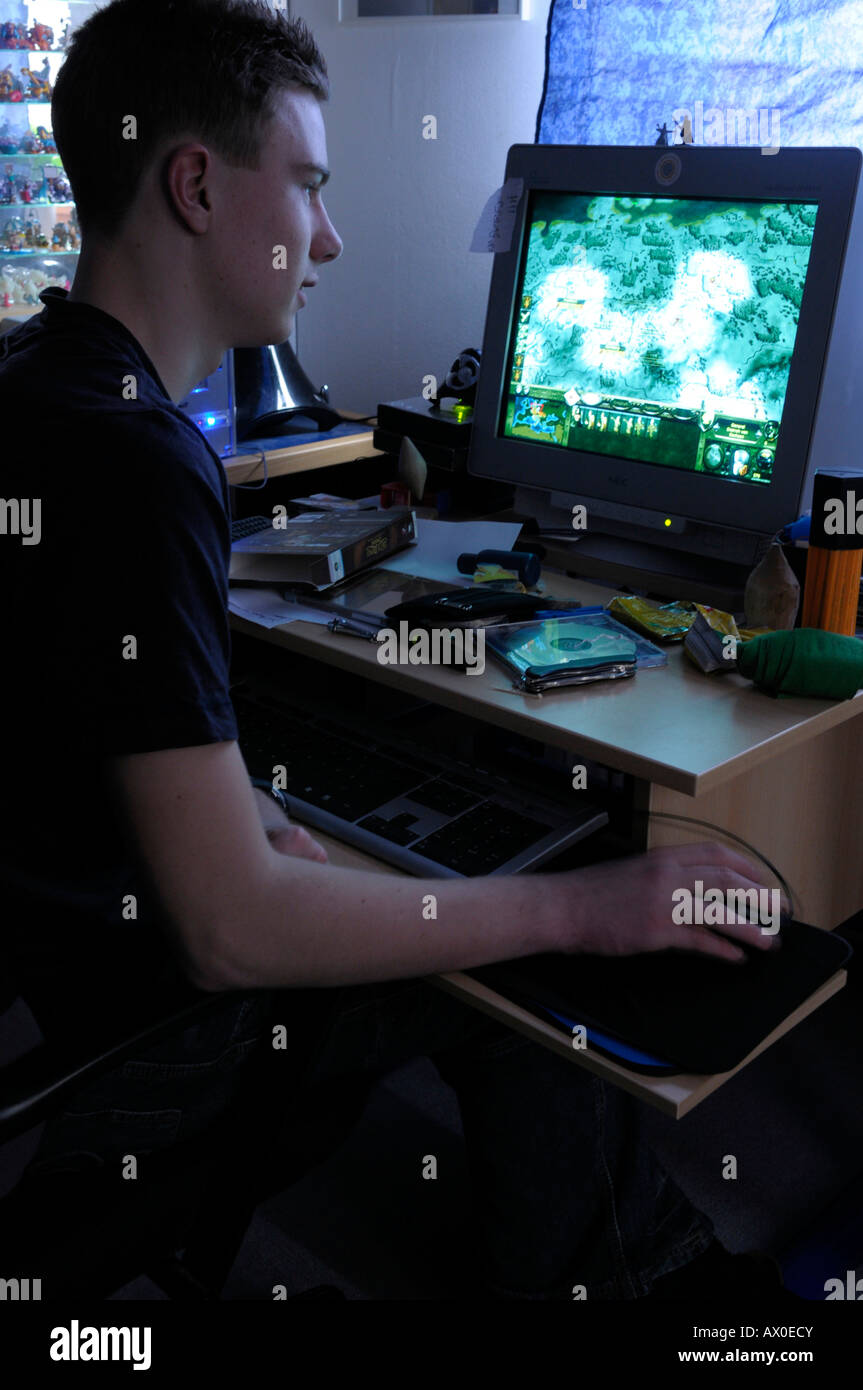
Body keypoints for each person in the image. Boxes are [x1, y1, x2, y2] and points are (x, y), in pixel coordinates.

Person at [0, 0, 786, 1301]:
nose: (330, 235)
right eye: (308, 183)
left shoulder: (41, 384)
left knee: (438, 847)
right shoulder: (138, 465)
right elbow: (228, 935)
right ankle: (627, 1283)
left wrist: (245, 802)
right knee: (537, 948)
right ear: (196, 185)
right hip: (161, 1030)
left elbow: (97, 719)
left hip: (65, 950)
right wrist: (586, 905)